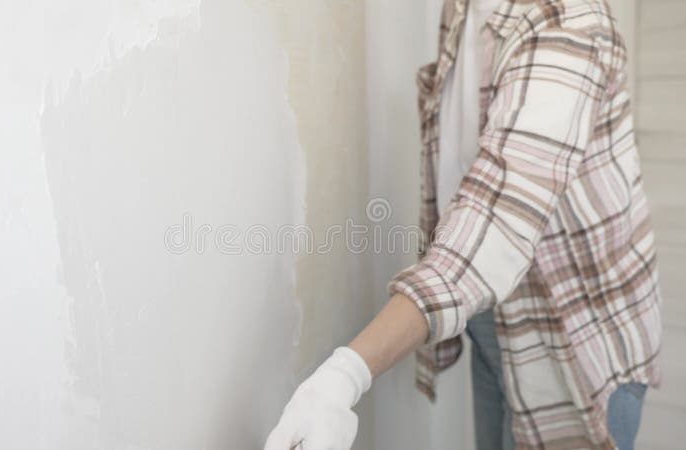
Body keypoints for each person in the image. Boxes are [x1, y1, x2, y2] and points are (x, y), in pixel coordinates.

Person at [265, 0, 662, 448]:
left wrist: (346, 373)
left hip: (576, 337)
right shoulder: (461, 8)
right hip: (494, 314)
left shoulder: (567, 22)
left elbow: (499, 219)